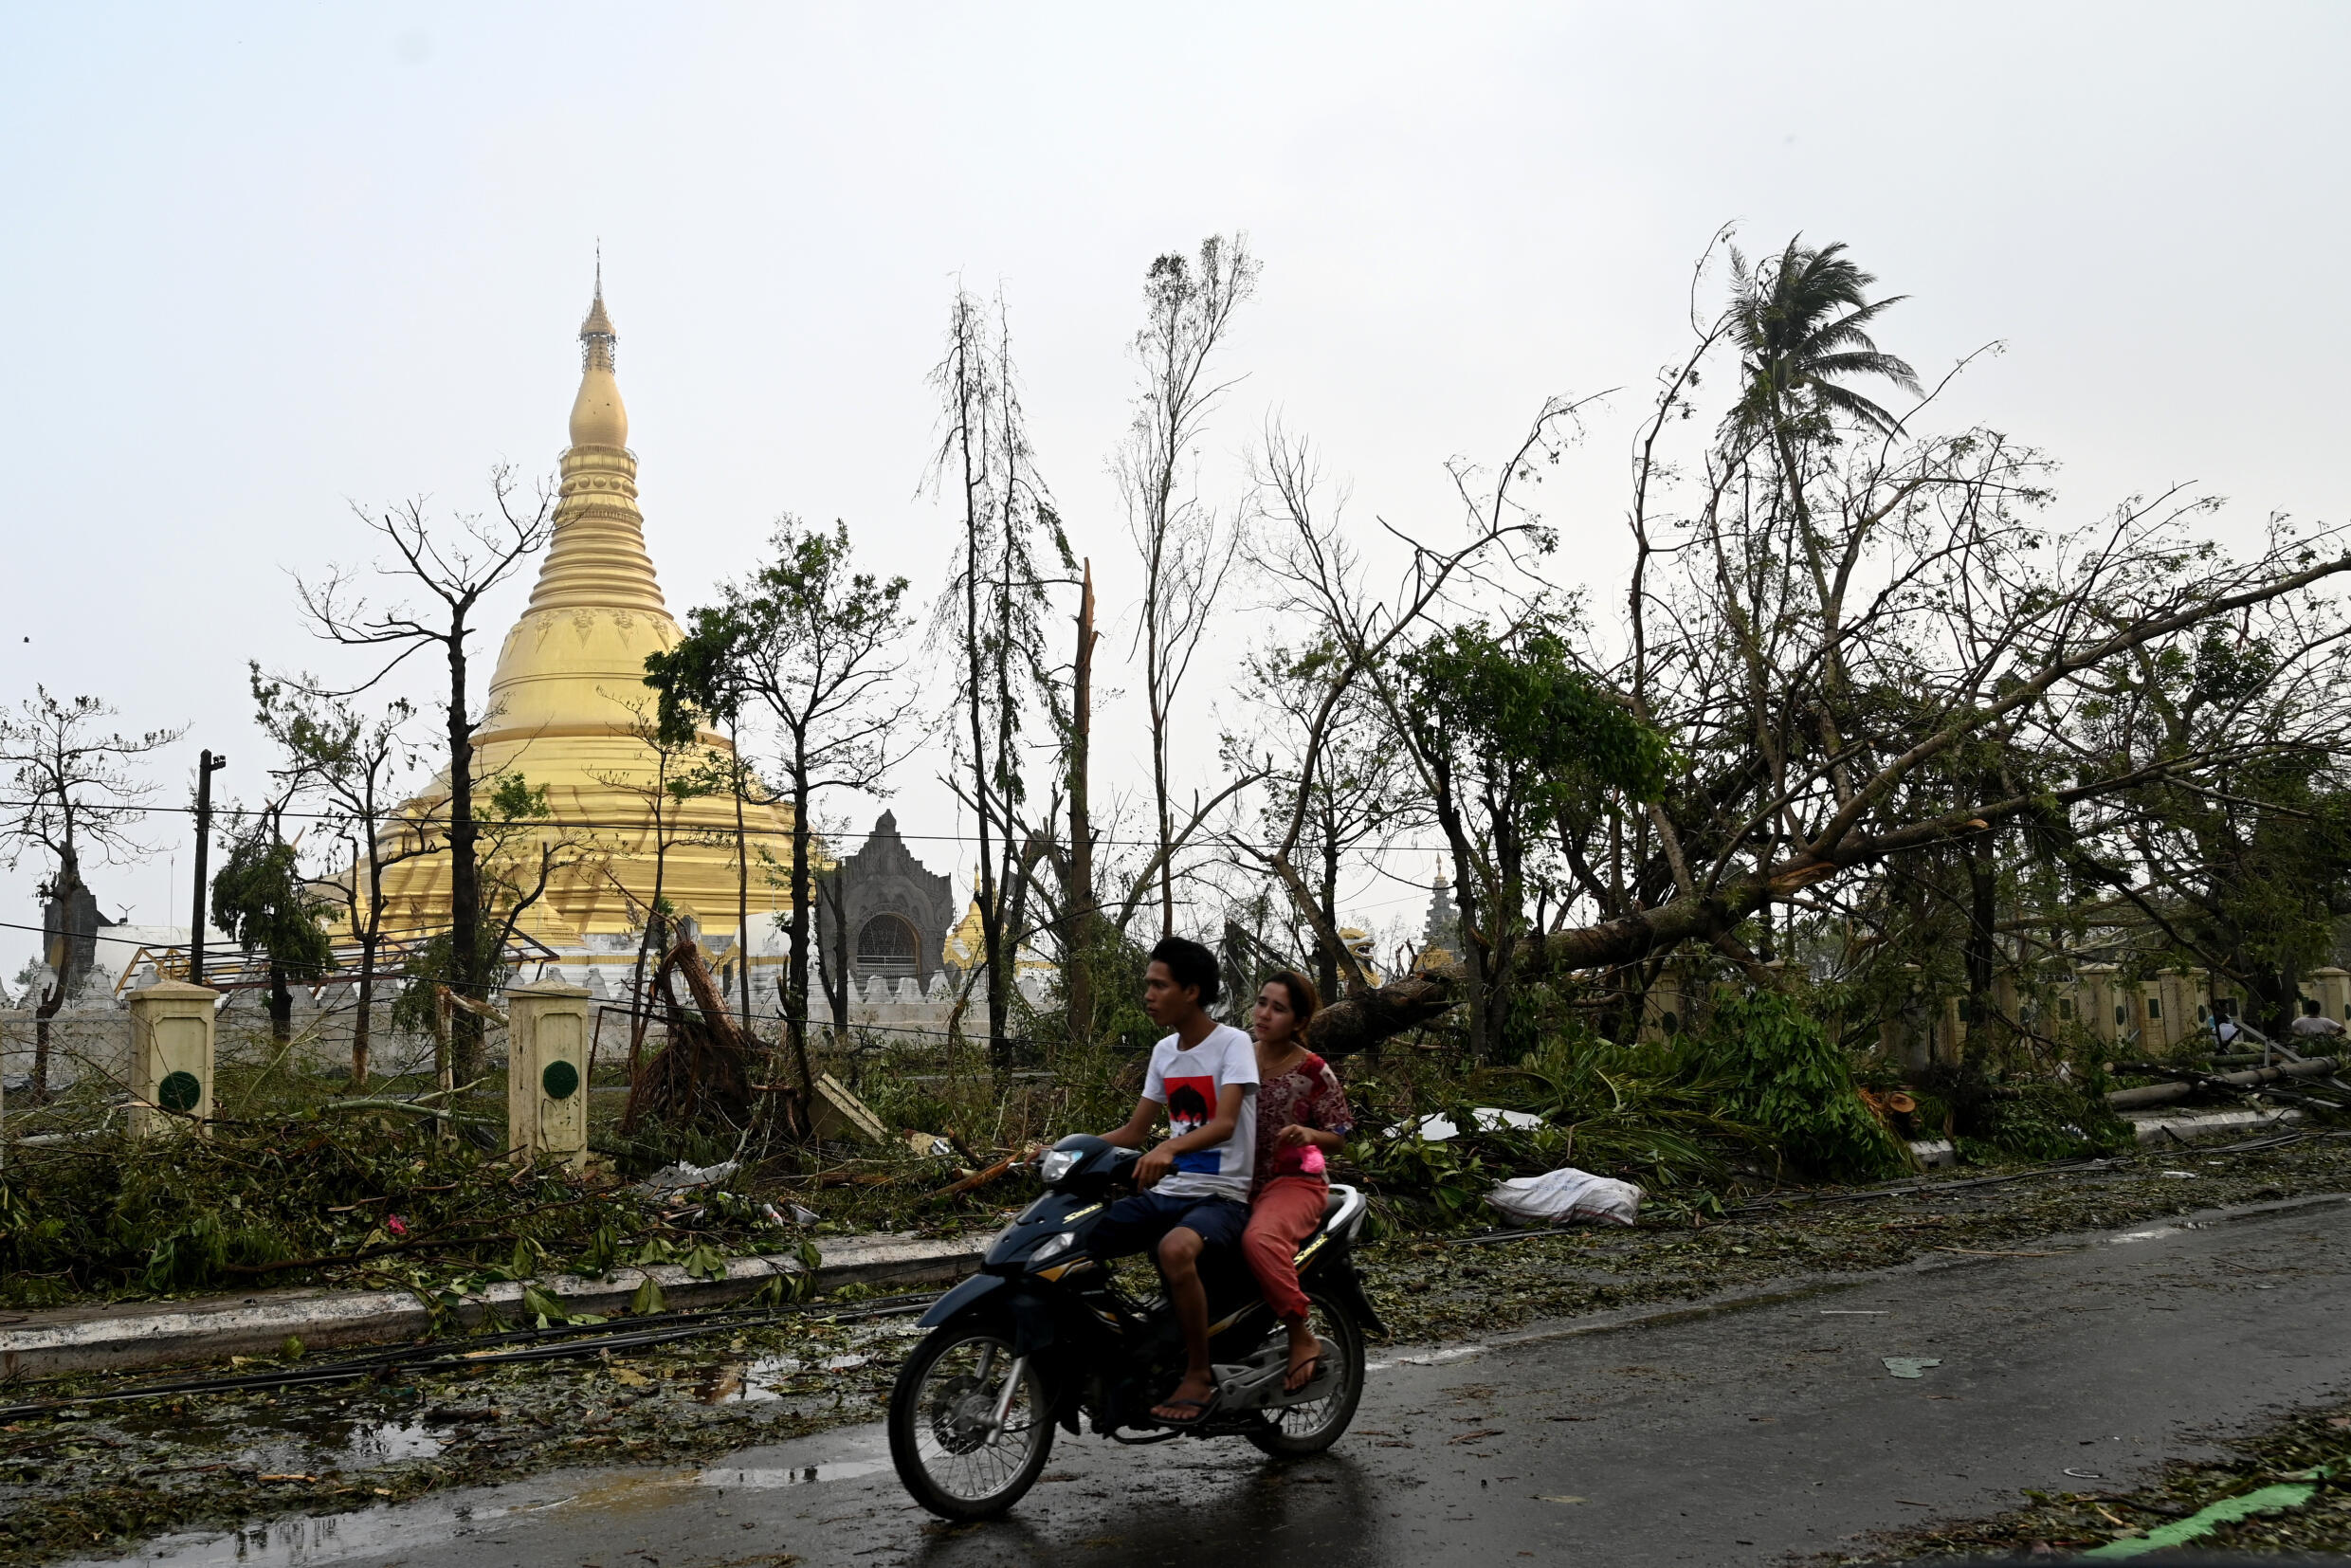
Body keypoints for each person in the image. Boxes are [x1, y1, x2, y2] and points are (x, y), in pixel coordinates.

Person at [1092, 936, 1259, 1426]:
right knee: (1082, 1239)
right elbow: (1134, 1131)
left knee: (1175, 1249)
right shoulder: (1165, 1050)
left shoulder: (1234, 1044)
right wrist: (1065, 1148)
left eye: (1158, 985)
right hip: (1170, 1192)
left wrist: (1168, 1149)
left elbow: (1225, 1123)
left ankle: (1198, 1372)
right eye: (1148, 984)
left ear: (1191, 990)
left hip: (1222, 1195)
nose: (1148, 994)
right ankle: (1133, 1350)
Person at [1240, 971, 1352, 1393]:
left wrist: (1310, 1135)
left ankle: (1300, 1333)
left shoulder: (1312, 1070)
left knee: (1260, 1240)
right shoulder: (1237, 1058)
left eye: (1279, 1008)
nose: (1264, 1014)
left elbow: (1339, 1136)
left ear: (1299, 1021)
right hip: (1239, 1181)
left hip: (1296, 1183)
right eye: (1262, 1002)